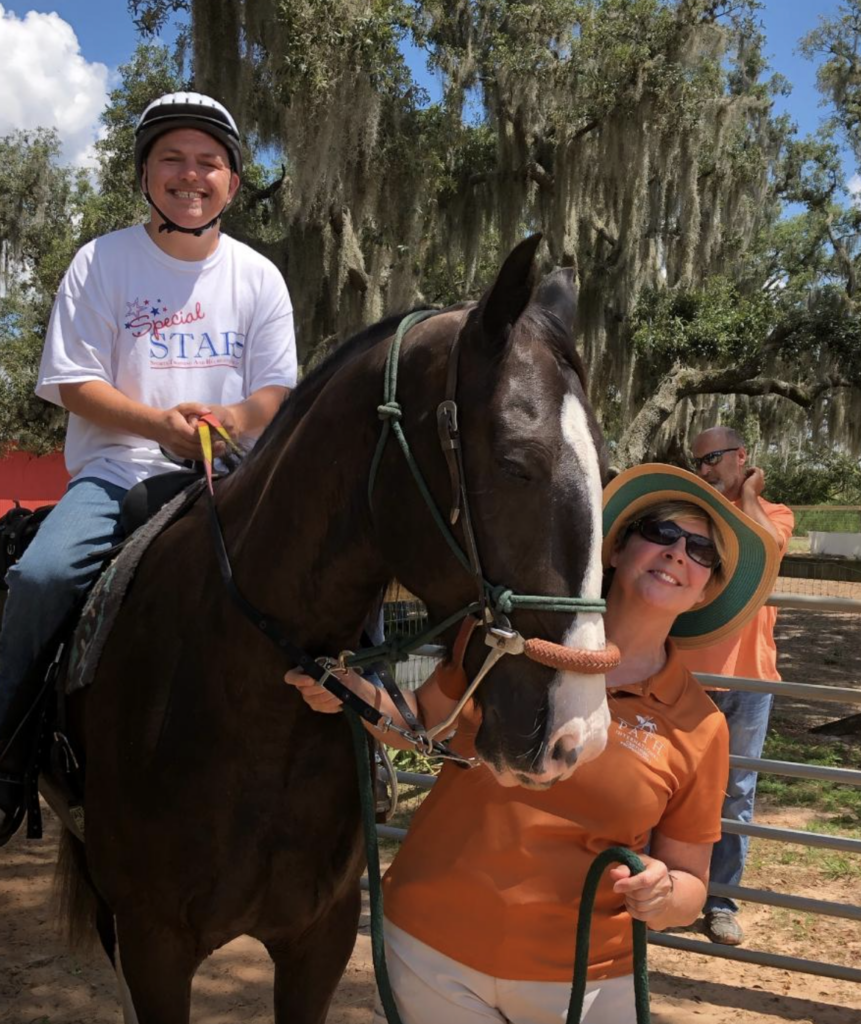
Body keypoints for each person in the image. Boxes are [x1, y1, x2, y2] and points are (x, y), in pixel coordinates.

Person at [286, 464, 781, 1024]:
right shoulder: (504, 639)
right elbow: (419, 723)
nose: (677, 554)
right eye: (662, 532)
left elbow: (691, 884)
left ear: (704, 591)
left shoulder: (701, 726)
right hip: (430, 955)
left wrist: (664, 894)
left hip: (585, 984)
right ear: (615, 549)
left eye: (700, 551)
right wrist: (352, 693)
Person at [0, 92, 297, 843]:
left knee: (331, 559)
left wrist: (224, 421)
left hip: (231, 477)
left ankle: (364, 742)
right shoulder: (102, 262)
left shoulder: (258, 276)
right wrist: (160, 425)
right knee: (40, 577)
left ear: (231, 181)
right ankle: (5, 749)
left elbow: (274, 391)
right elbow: (74, 381)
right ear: (144, 174)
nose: (189, 175)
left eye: (209, 162)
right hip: (117, 471)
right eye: (172, 158)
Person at [678, 427, 794, 946]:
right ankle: (676, 889)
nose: (704, 470)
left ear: (742, 456)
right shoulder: (693, 512)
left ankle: (720, 901)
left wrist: (747, 496)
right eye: (698, 462)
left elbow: (765, 551)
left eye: (713, 460)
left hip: (749, 678)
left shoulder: (778, 512)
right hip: (689, 674)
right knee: (675, 784)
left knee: (736, 795)